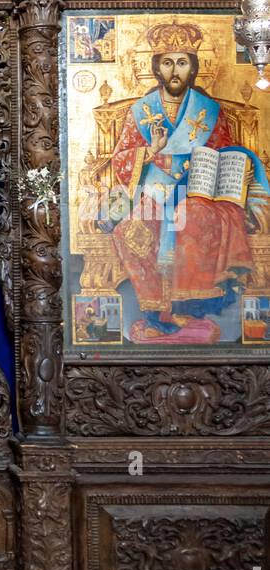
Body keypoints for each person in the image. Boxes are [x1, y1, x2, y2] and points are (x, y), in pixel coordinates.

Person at [104, 22, 270, 339]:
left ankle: (189, 310)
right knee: (131, 229)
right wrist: (150, 151)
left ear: (192, 67)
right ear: (157, 68)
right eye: (168, 62)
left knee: (194, 217)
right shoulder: (141, 111)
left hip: (200, 193)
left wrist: (239, 169)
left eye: (182, 62)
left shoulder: (209, 110)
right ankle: (157, 314)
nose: (175, 70)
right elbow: (120, 159)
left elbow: (225, 151)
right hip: (154, 190)